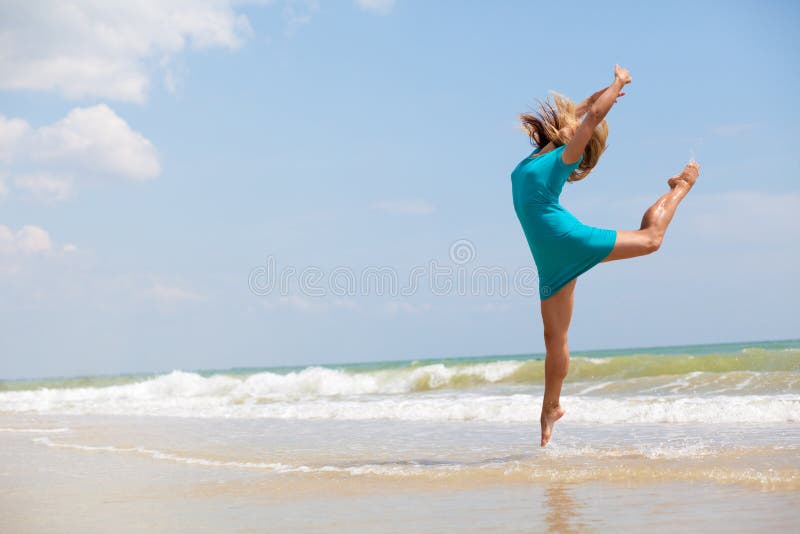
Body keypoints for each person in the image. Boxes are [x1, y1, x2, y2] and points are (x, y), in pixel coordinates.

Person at [510, 65, 699, 446]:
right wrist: (601, 92)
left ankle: (681, 186)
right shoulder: (541, 153)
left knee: (651, 240)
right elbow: (583, 109)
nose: (573, 123)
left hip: (566, 239)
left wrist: (619, 83)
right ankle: (551, 408)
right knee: (554, 336)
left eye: (580, 128)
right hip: (548, 258)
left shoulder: (564, 158)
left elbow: (592, 116)